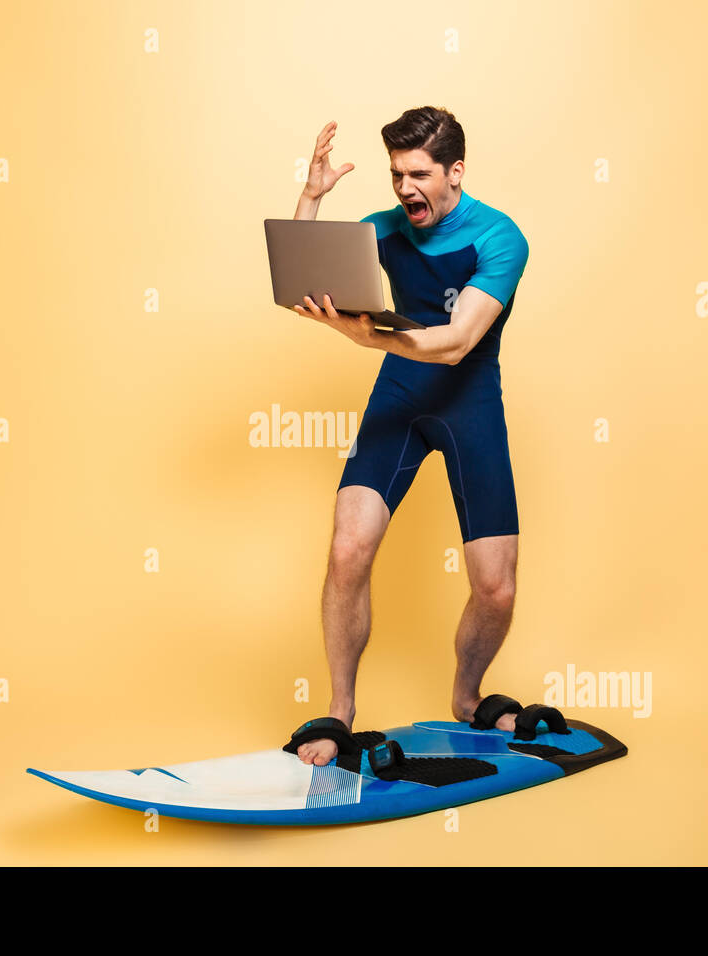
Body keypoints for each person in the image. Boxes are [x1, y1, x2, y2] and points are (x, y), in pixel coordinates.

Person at [289, 108, 532, 765]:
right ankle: (339, 712)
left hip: (469, 404)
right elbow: (300, 283)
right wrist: (311, 197)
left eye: (418, 174)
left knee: (496, 588)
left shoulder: (500, 237)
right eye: (396, 174)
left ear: (455, 173)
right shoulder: (382, 230)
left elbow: (456, 344)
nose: (403, 188)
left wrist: (367, 336)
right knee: (348, 549)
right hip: (399, 398)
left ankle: (466, 696)